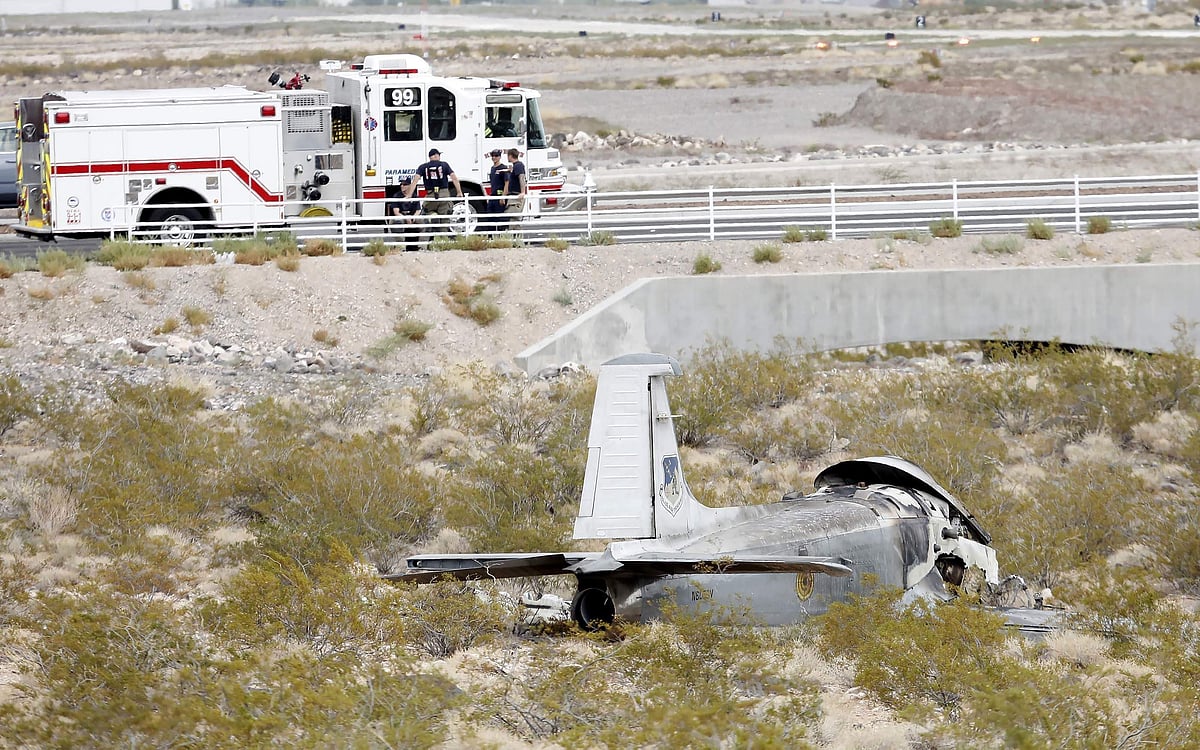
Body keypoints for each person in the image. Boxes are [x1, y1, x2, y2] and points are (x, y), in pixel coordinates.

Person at [411, 148, 463, 220]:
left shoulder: (423, 167)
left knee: (426, 211)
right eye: (438, 155)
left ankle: (433, 216)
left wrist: (409, 195)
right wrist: (459, 192)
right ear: (435, 155)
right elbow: (454, 178)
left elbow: (415, 180)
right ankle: (443, 229)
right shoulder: (444, 165)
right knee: (445, 217)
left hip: (430, 195)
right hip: (444, 195)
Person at [485, 148, 510, 232]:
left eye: (496, 156)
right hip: (493, 196)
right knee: (490, 219)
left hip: (500, 197)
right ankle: (491, 238)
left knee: (500, 220)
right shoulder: (492, 168)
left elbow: (507, 183)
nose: (494, 157)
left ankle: (501, 238)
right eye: (493, 156)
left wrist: (503, 196)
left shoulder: (503, 168)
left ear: (500, 157)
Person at [501, 147, 527, 219]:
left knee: (512, 218)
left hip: (516, 197)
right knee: (511, 218)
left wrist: (522, 192)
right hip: (514, 196)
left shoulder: (518, 165)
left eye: (508, 156)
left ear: (510, 156)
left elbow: (521, 178)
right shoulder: (516, 166)